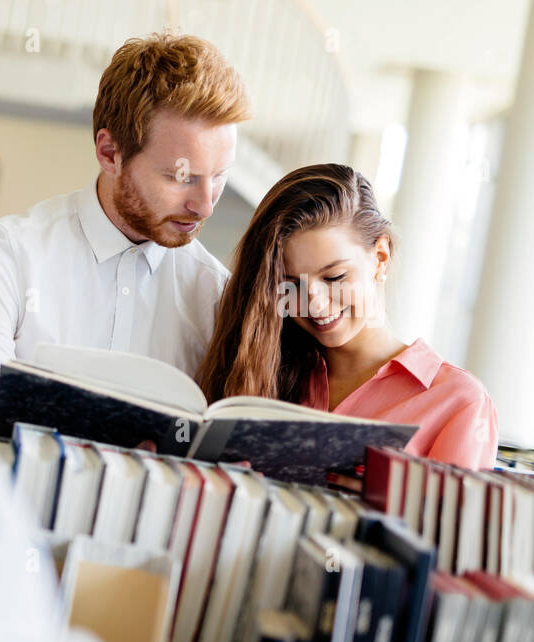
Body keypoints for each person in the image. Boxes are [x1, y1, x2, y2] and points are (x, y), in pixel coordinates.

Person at [0, 32, 252, 435]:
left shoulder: (217, 296)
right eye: (179, 177)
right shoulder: (3, 259)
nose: (205, 205)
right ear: (109, 153)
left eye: (219, 177)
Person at [196, 163, 499, 471]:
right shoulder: (265, 373)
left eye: (334, 277)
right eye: (291, 284)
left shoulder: (458, 401)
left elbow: (452, 520)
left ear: (380, 257)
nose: (313, 305)